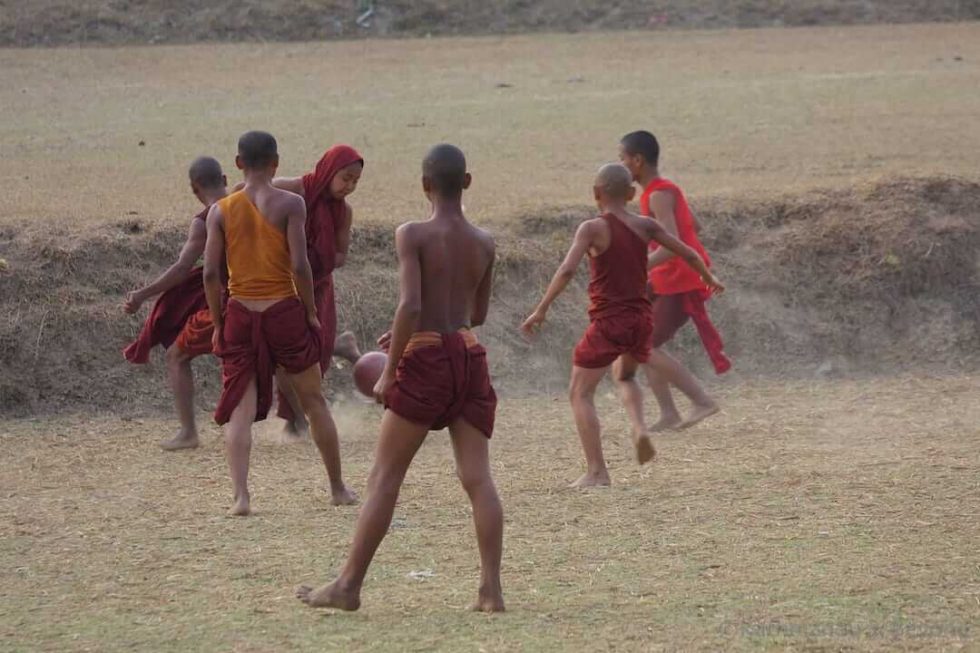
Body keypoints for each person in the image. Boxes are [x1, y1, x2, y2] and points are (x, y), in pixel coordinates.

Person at [297, 144, 504, 613]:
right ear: (466, 182)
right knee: (478, 479)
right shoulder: (485, 241)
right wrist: (426, 319)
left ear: (424, 186)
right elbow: (478, 313)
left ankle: (348, 586)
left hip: (426, 359)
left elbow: (411, 304)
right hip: (469, 359)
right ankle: (491, 591)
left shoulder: (412, 234)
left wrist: (390, 371)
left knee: (384, 477)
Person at [522, 164, 724, 487]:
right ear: (631, 194)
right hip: (641, 319)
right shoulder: (645, 225)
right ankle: (639, 427)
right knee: (625, 374)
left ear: (595, 194)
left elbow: (566, 270)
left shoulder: (591, 229)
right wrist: (708, 277)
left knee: (579, 393)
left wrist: (541, 309)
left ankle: (597, 472)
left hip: (609, 323)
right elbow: (686, 251)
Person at [203, 131, 356, 516]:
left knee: (240, 406)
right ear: (276, 164)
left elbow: (209, 274)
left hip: (239, 311)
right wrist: (309, 311)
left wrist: (220, 322)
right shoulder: (291, 203)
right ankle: (337, 488)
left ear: (238, 164)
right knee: (313, 399)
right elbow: (301, 266)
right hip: (284, 310)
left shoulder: (221, 210)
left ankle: (241, 497)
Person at [619, 130, 731, 431]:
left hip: (681, 278)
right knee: (642, 341)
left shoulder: (657, 194)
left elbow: (673, 244)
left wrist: (639, 265)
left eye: (623, 159)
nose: (621, 166)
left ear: (637, 161)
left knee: (644, 344)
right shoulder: (661, 192)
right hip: (670, 276)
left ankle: (702, 401)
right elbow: (693, 225)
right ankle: (669, 413)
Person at [123, 156, 227, 451]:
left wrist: (143, 294)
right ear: (226, 179)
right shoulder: (252, 203)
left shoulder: (206, 220)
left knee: (177, 357)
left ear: (194, 188)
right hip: (267, 293)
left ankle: (188, 432)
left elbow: (184, 269)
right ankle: (296, 420)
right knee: (283, 347)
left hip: (231, 303)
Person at [268, 145, 365, 437]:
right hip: (281, 283)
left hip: (317, 286)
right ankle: (298, 418)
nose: (349, 187)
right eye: (345, 178)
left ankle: (297, 419)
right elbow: (247, 191)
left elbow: (341, 254)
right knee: (283, 356)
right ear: (328, 169)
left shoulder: (343, 212)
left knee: (307, 356)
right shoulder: (291, 189)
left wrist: (312, 259)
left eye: (355, 182)